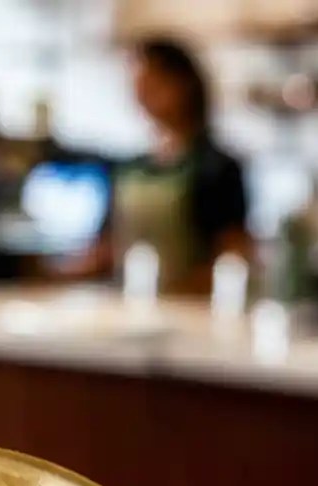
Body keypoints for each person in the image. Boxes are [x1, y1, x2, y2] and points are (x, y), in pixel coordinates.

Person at [66, 37, 252, 294]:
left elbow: (233, 254)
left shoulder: (217, 167)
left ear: (184, 84)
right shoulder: (130, 168)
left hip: (192, 311)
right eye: (138, 85)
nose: (142, 92)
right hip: (128, 307)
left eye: (153, 82)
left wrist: (180, 293)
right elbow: (105, 251)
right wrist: (51, 274)